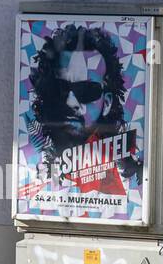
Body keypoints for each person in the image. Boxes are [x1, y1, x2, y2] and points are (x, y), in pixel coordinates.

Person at [26, 23, 141, 193]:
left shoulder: (124, 164)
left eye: (86, 91)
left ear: (107, 102)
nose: (71, 101)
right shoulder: (40, 165)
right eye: (60, 89)